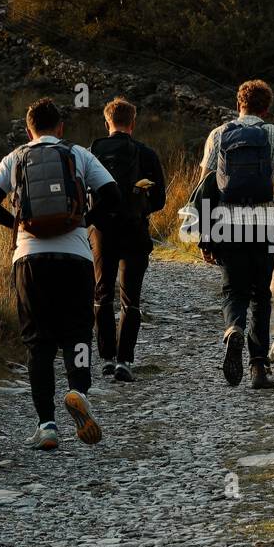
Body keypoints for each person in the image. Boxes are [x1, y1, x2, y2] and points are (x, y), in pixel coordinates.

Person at [0, 97, 119, 449]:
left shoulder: (15, 157)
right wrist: (84, 221)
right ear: (60, 128)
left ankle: (47, 426)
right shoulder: (79, 155)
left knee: (38, 343)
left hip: (30, 259)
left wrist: (18, 224)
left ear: (29, 129)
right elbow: (112, 194)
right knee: (77, 333)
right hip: (75, 257)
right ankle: (78, 391)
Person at [198, 79, 274, 390]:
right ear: (266, 107)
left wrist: (205, 235)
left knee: (234, 290)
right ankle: (259, 367)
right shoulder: (273, 133)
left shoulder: (218, 134)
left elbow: (204, 186)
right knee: (261, 293)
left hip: (226, 220)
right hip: (264, 219)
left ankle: (233, 328)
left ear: (238, 104)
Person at [89, 97, 166, 382]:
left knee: (102, 292)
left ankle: (106, 358)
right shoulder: (146, 154)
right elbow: (160, 200)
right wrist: (139, 208)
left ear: (106, 122)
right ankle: (124, 361)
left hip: (101, 232)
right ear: (133, 123)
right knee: (130, 297)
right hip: (134, 231)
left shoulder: (92, 151)